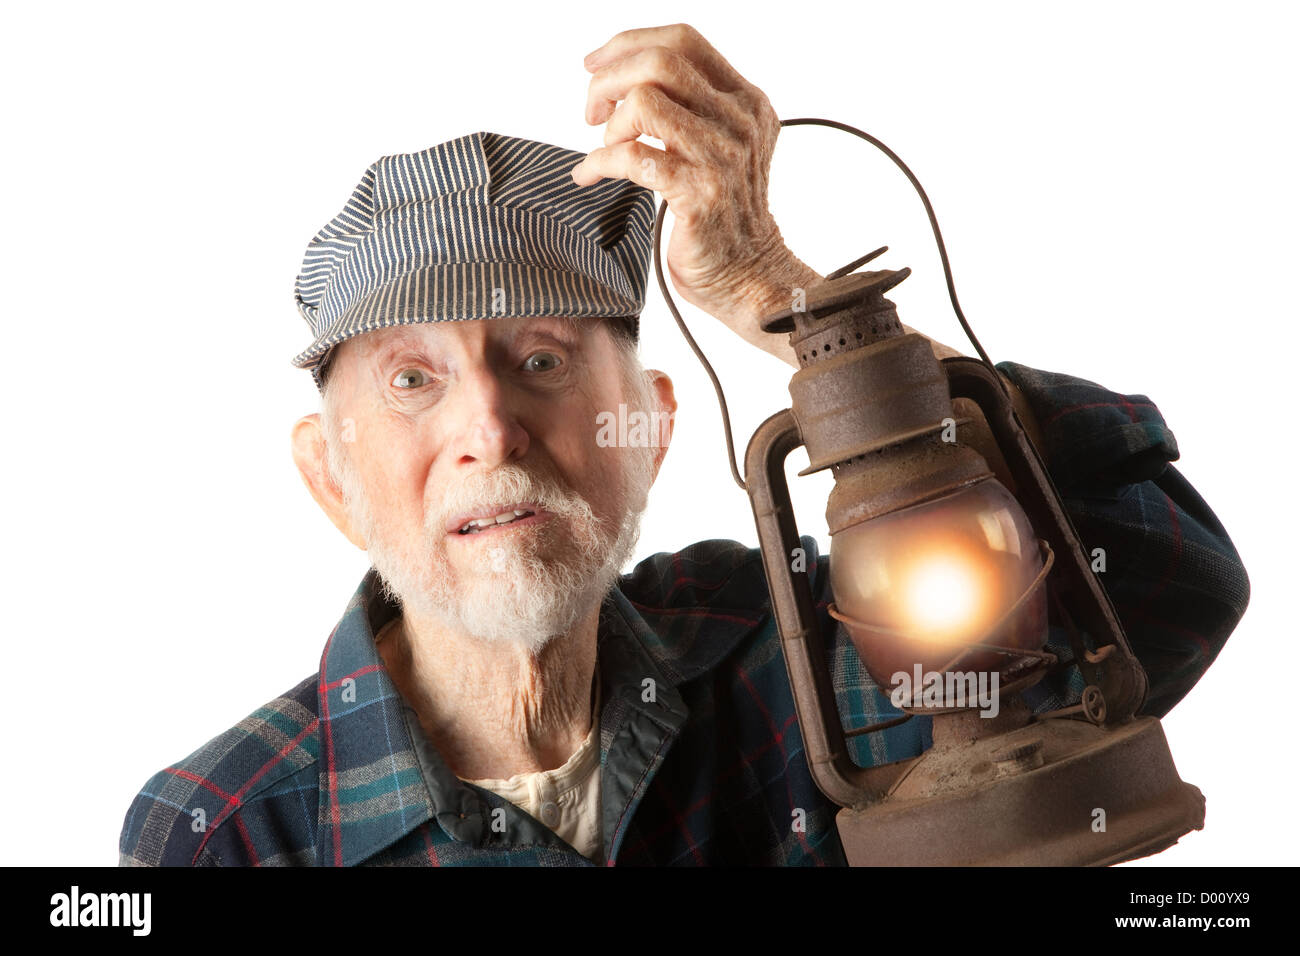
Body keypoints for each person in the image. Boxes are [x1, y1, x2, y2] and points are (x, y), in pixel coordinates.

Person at [118, 23, 1249, 867]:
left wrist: (791, 305)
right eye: (412, 380)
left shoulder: (797, 649)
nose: (490, 430)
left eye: (544, 360)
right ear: (329, 472)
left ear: (652, 425)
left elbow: (1161, 577)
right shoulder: (219, 830)